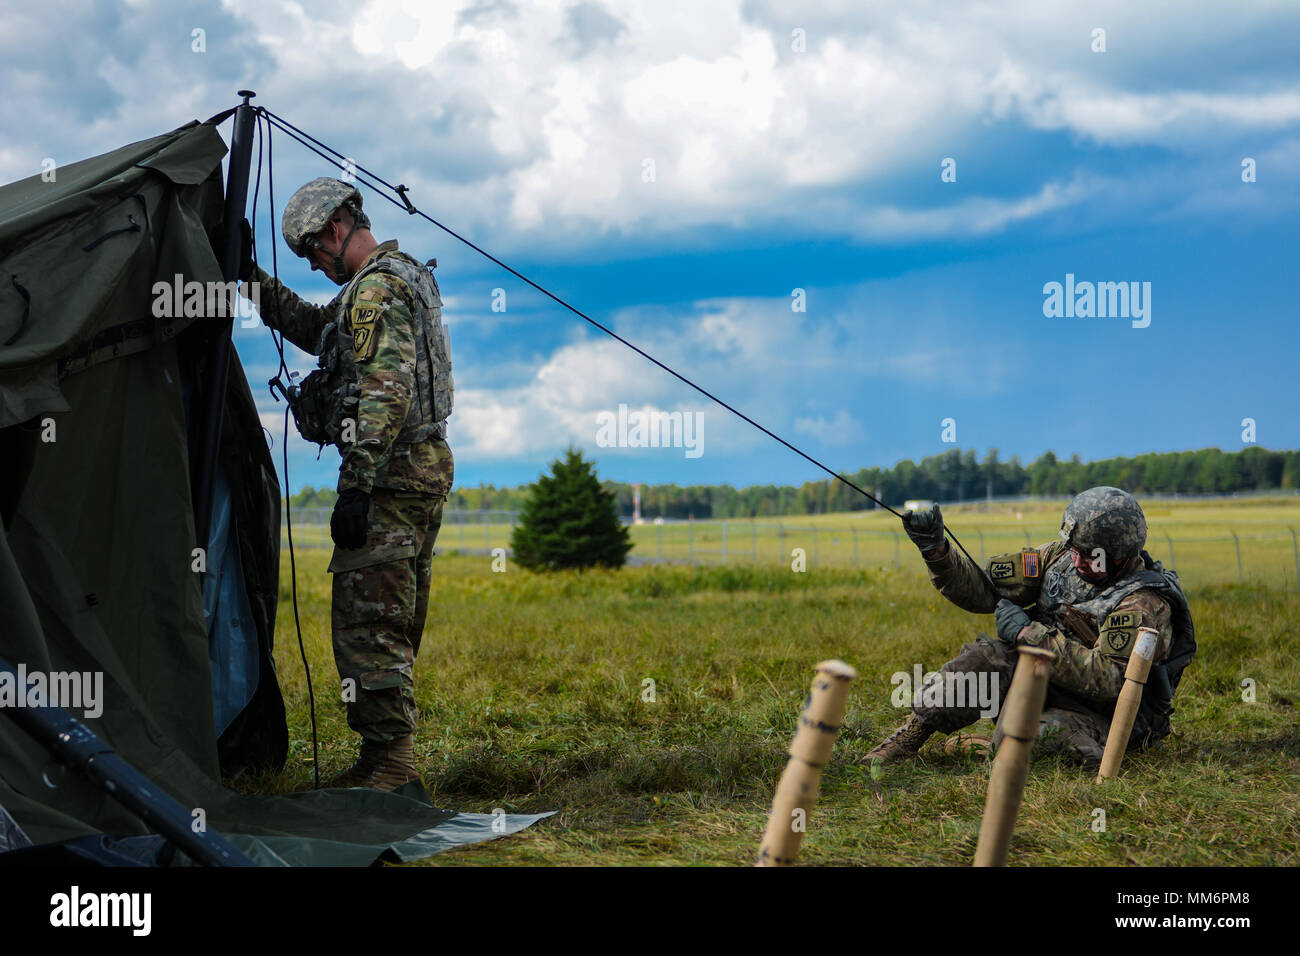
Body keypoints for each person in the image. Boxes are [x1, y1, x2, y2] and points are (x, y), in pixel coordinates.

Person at [240, 178, 454, 790]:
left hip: (388, 477)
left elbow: (384, 392)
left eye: (311, 251)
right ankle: (380, 759)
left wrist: (356, 484)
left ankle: (392, 767)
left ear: (334, 229)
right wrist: (251, 278)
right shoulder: (396, 277)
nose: (313, 264)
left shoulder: (377, 291)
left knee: (370, 624)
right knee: (391, 616)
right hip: (418, 469)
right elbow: (317, 330)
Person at [869, 486, 1195, 766]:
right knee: (983, 658)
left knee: (1037, 738)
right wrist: (937, 552)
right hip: (1038, 682)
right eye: (1075, 549)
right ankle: (910, 737)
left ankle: (991, 746)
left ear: (1123, 555)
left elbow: (1109, 680)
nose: (1078, 560)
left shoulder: (1143, 603)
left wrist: (1029, 634)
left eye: (1091, 555)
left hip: (1099, 714)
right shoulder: (1058, 557)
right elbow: (984, 590)